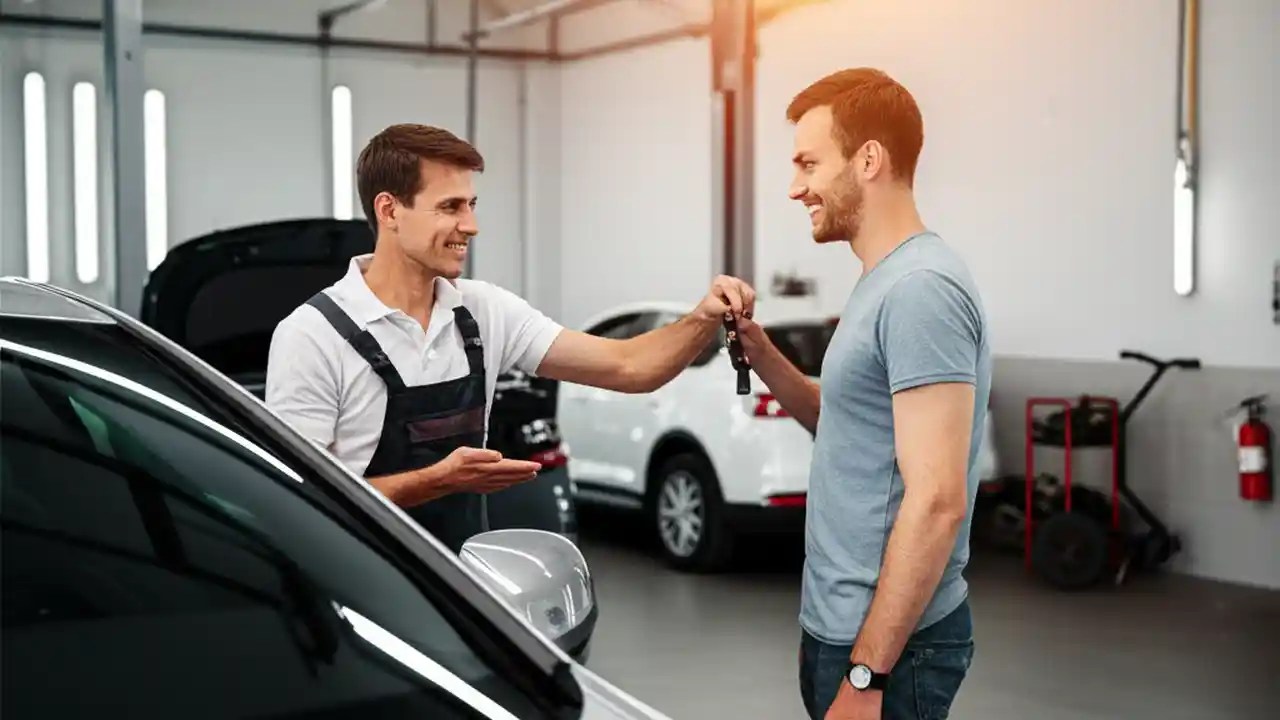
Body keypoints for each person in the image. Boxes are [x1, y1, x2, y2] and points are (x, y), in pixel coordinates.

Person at [265, 123, 755, 553]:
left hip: (464, 588)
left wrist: (702, 317)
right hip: (359, 591)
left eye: (472, 205)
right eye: (450, 207)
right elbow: (299, 498)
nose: (471, 226)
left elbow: (629, 367)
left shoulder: (484, 312)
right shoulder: (311, 337)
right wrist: (434, 481)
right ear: (390, 210)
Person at [731, 69, 992, 720]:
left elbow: (936, 501)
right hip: (840, 625)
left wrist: (866, 673)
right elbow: (840, 419)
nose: (796, 188)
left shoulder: (920, 290)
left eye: (809, 164)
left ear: (868, 159)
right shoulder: (883, 281)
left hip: (891, 653)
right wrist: (759, 350)